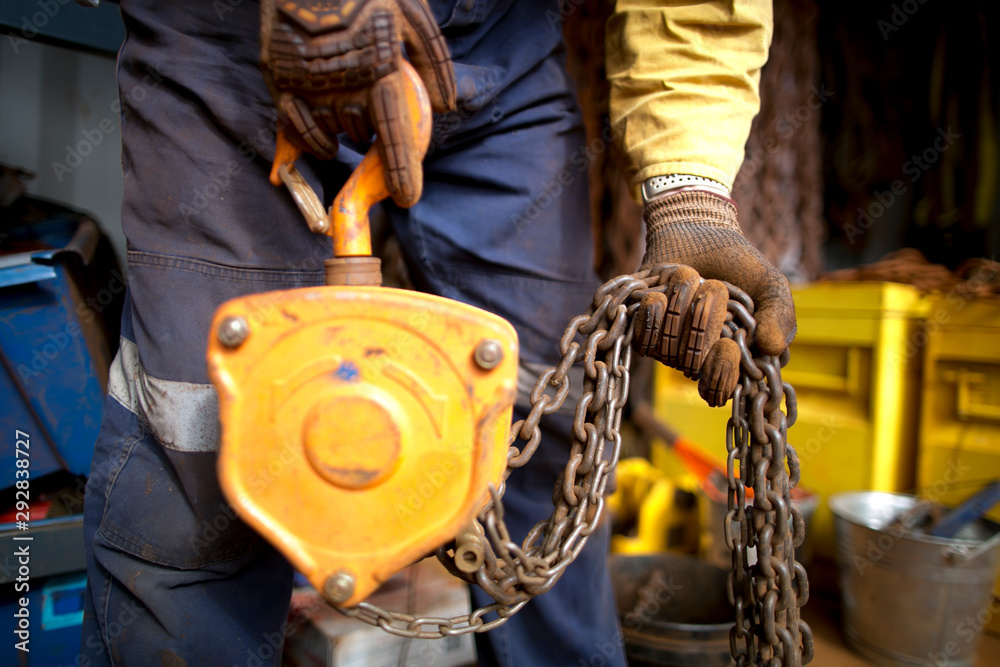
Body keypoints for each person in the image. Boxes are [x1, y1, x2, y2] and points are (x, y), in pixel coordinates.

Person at [80, 1, 793, 665]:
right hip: (227, 40)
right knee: (203, 442)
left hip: (490, 54)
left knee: (544, 440)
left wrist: (687, 188)